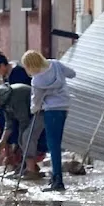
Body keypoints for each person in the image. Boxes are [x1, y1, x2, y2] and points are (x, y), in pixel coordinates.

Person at [22, 50, 76, 192]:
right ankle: (55, 178)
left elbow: (36, 102)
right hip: (64, 107)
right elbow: (72, 73)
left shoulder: (37, 80)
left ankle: (57, 180)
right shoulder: (56, 64)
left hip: (50, 111)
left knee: (54, 146)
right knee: (55, 144)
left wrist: (34, 109)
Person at [0, 83, 46, 178]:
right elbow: (9, 123)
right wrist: (2, 141)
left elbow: (23, 119)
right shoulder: (3, 102)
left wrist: (20, 138)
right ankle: (29, 168)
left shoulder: (14, 97)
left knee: (26, 137)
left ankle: (31, 171)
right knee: (22, 140)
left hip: (40, 110)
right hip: (30, 114)